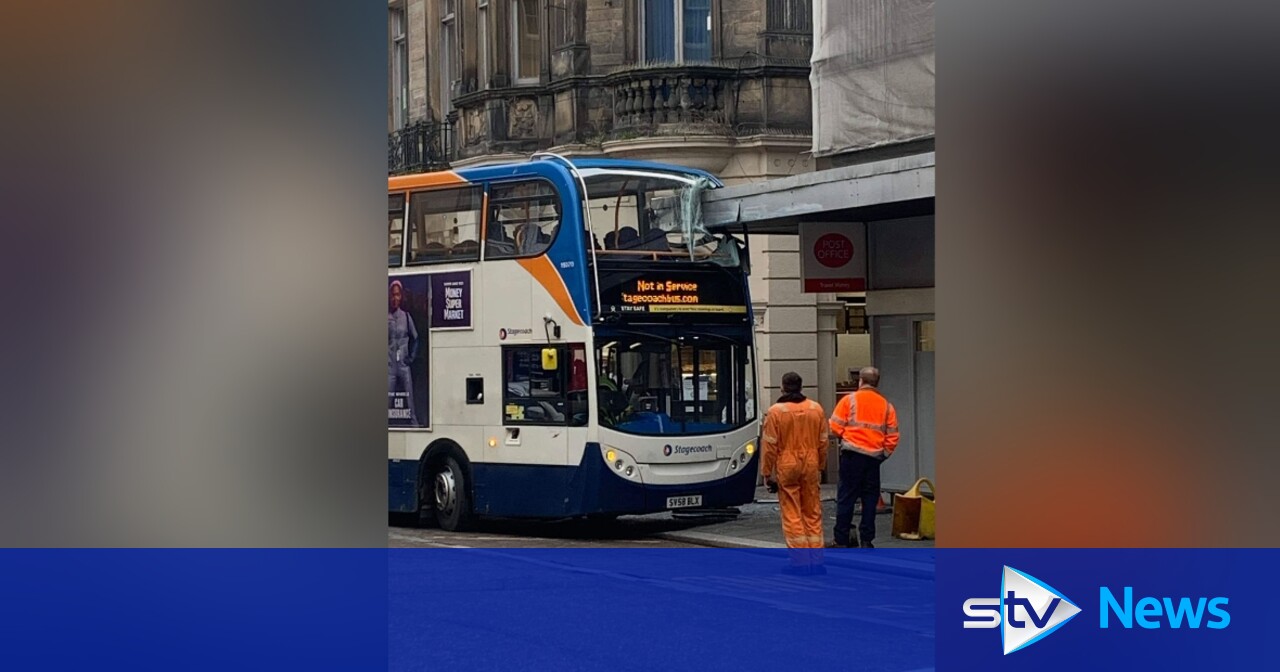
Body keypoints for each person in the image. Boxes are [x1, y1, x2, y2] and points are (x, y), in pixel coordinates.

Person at [760, 372, 828, 573]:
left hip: (787, 464)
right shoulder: (816, 409)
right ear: (801, 387)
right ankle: (816, 561)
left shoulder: (776, 412)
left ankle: (800, 562)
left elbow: (769, 445)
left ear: (782, 387)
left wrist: (766, 473)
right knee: (812, 511)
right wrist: (821, 467)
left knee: (792, 513)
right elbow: (823, 442)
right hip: (810, 464)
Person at [828, 367, 900, 549]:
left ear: (860, 381)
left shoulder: (849, 400)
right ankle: (867, 540)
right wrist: (882, 455)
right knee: (870, 500)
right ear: (877, 383)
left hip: (852, 456)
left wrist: (847, 437)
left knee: (846, 498)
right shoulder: (886, 406)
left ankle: (841, 539)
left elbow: (834, 427)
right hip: (873, 458)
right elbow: (892, 436)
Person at [388, 280, 420, 425]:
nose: (395, 298)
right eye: (392, 295)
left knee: (409, 398)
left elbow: (416, 338)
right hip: (389, 365)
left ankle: (415, 423)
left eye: (397, 295)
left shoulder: (406, 317)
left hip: (403, 364)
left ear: (401, 296)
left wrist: (412, 357)